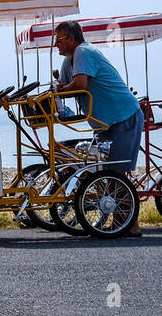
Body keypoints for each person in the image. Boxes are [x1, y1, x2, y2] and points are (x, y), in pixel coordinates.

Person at [53, 20, 143, 236]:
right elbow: (66, 89)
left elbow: (80, 84)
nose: (56, 45)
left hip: (123, 116)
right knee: (107, 173)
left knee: (115, 172)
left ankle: (129, 225)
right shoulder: (69, 61)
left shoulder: (83, 52)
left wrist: (62, 88)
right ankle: (124, 223)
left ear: (72, 39)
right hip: (104, 122)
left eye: (59, 40)